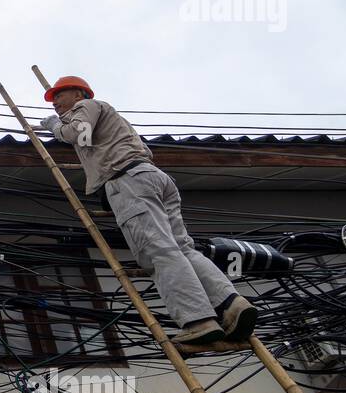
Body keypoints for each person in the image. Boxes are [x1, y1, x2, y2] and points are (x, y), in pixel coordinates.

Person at [38, 75, 257, 350]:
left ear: (79, 94)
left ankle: (198, 322)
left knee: (158, 251)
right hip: (151, 177)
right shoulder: (112, 118)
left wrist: (54, 126)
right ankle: (230, 304)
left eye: (59, 95)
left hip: (128, 182)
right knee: (182, 248)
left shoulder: (87, 107)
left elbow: (77, 134)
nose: (55, 103)